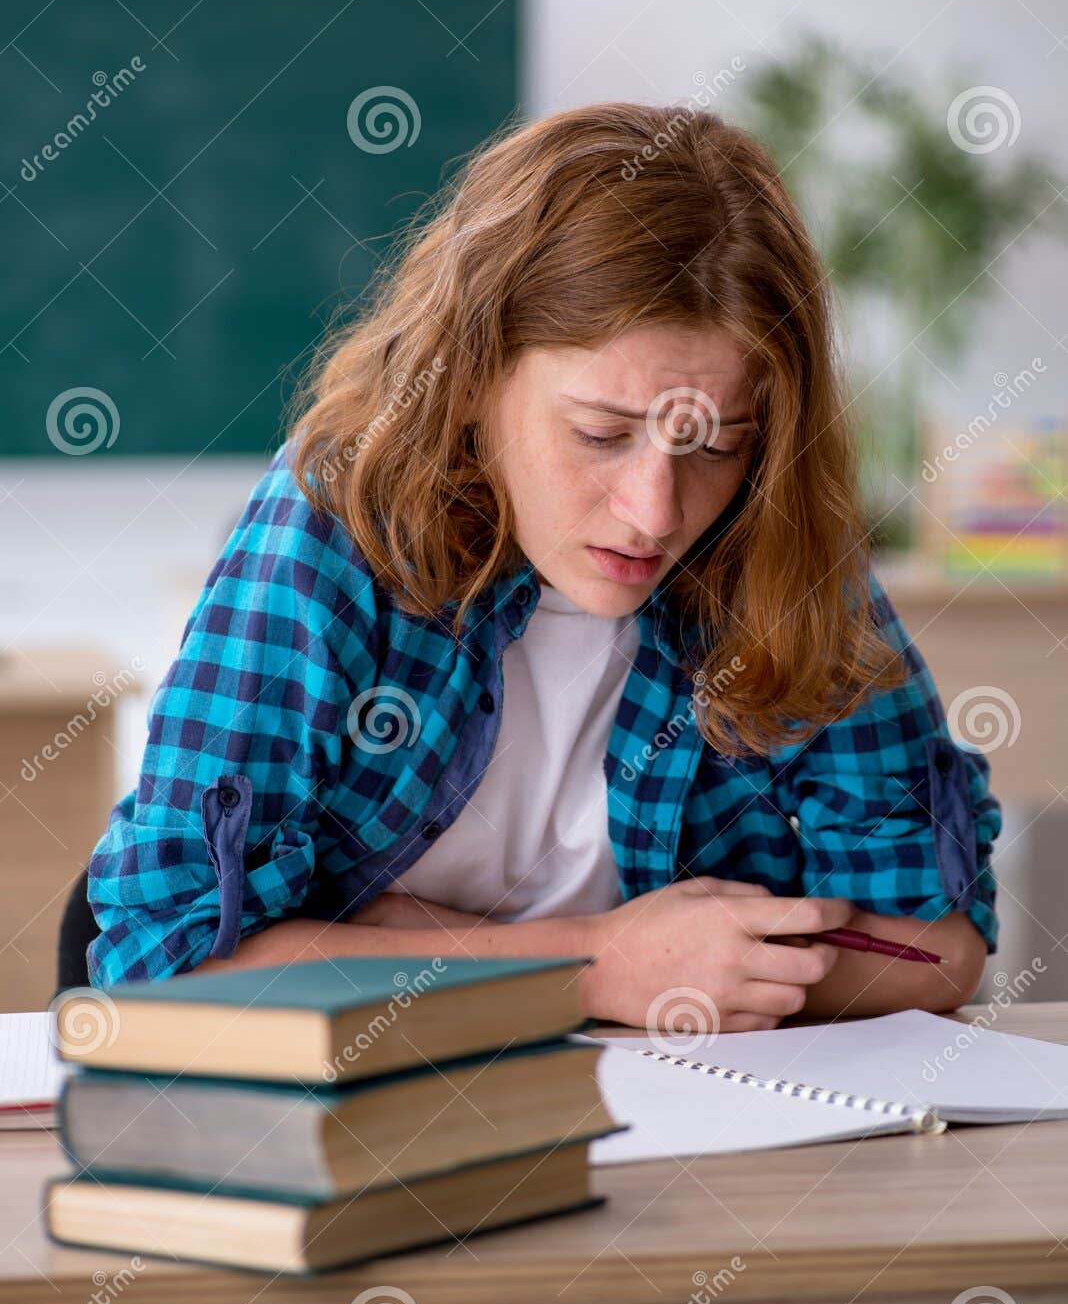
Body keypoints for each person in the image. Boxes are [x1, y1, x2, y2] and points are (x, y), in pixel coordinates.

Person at [84, 102, 999, 1032]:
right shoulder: (337, 518)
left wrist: (409, 944)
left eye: (718, 444)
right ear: (472, 380)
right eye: (601, 433)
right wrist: (593, 966)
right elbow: (164, 966)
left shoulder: (779, 532)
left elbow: (934, 951)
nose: (655, 512)